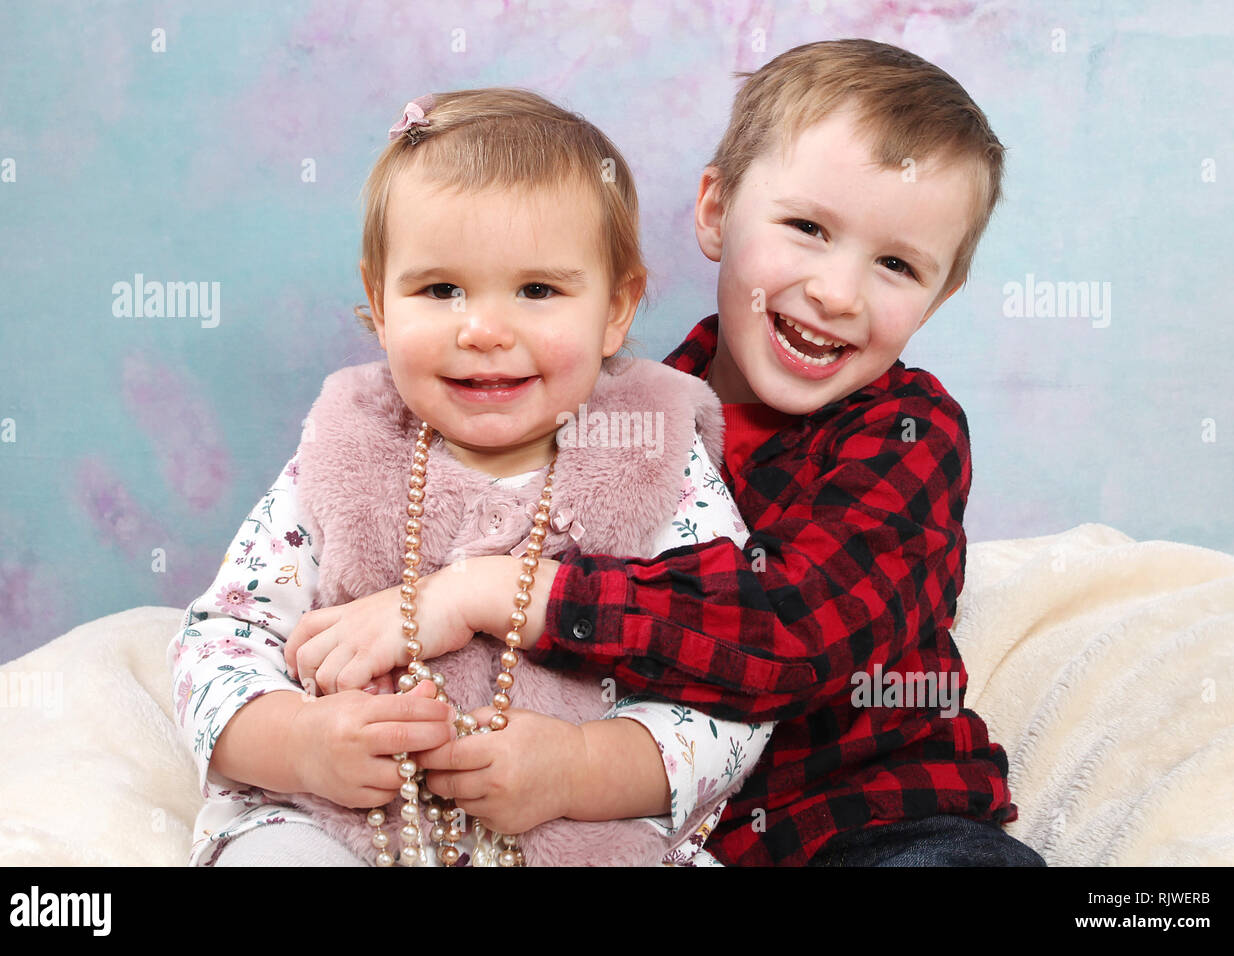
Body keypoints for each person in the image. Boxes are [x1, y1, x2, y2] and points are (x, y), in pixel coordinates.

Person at [289, 40, 1046, 867]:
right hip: (663, 830)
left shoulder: (910, 431)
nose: (837, 292)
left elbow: (791, 632)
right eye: (806, 228)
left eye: (897, 264)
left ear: (941, 294)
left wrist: (493, 592)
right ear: (716, 211)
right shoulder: (625, 410)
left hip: (873, 821)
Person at [168, 87, 771, 867]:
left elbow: (730, 685)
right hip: (348, 827)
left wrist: (581, 772)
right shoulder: (347, 448)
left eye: (538, 290)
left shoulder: (654, 459)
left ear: (616, 309)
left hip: (581, 838)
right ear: (381, 304)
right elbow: (222, 639)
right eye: (440, 290)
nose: (484, 330)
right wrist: (302, 744)